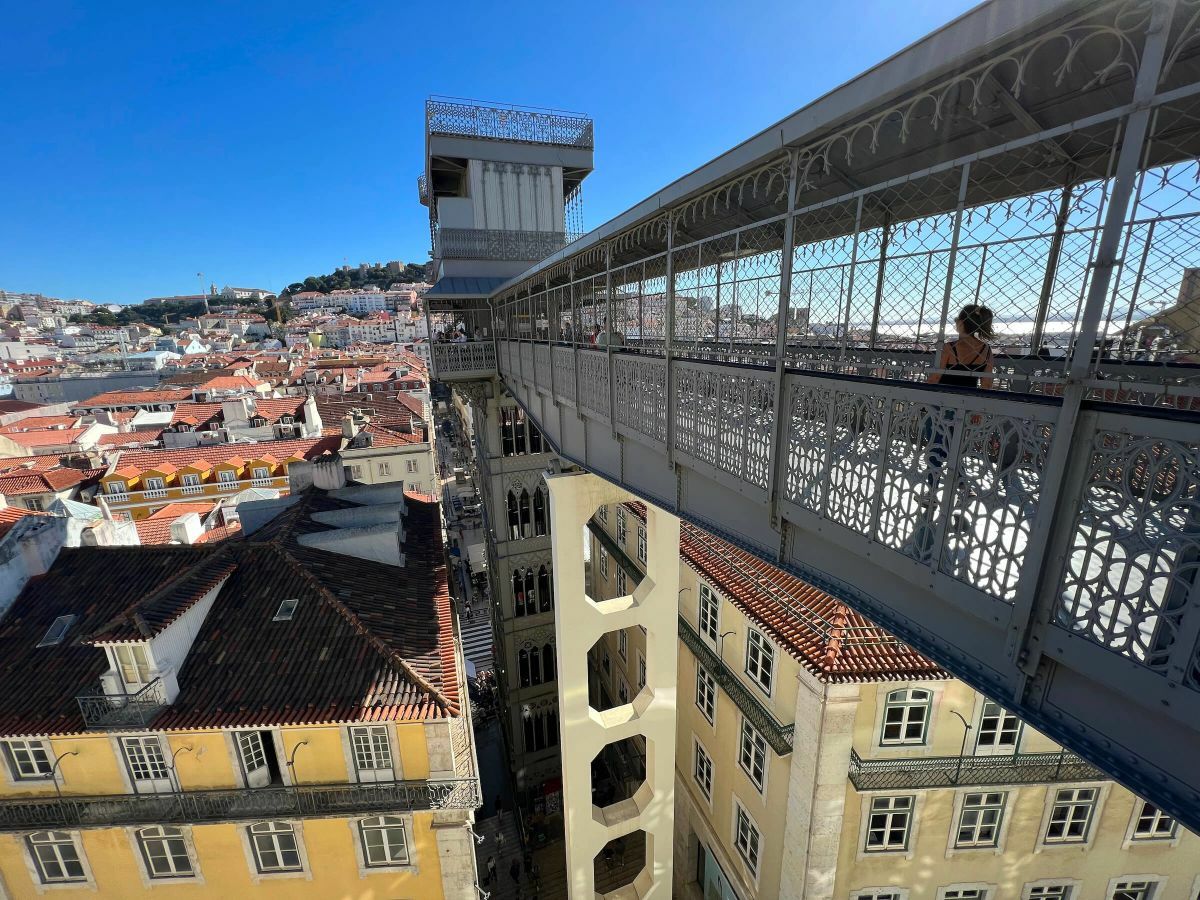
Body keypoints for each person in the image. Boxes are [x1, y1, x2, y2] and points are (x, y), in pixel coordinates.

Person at [928, 304, 994, 389]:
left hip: (945, 396)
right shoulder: (986, 350)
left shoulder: (949, 348)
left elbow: (935, 378)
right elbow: (987, 383)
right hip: (969, 397)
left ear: (960, 323)